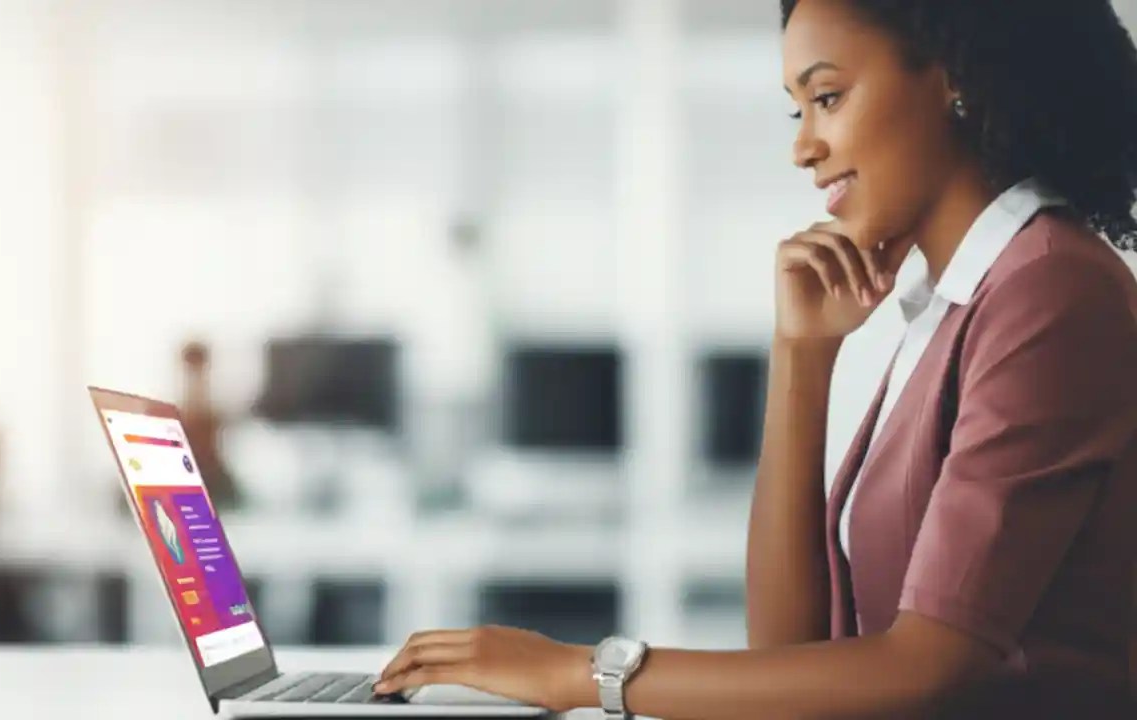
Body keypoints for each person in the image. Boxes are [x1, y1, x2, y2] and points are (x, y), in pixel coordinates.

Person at [374, 0, 1137, 716]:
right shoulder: (959, 303)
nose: (803, 147)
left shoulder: (1047, 289)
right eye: (796, 109)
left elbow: (928, 663)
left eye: (828, 98)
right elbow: (789, 657)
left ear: (954, 79)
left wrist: (580, 673)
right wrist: (802, 356)